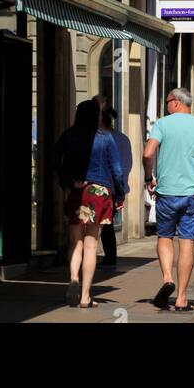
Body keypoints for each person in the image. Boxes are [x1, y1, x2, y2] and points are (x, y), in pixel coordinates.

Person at [143, 87, 194, 313]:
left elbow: (147, 154)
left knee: (165, 237)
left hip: (166, 193)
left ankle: (167, 278)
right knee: (187, 242)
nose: (166, 105)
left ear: (175, 102)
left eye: (167, 101)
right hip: (192, 196)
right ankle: (182, 298)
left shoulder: (163, 124)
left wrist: (149, 177)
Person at [54, 98, 126, 309]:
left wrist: (66, 181)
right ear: (97, 116)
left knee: (75, 242)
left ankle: (74, 278)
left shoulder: (68, 135)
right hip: (100, 192)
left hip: (77, 191)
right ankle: (85, 295)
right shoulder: (105, 139)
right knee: (91, 245)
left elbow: (53, 157)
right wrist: (119, 194)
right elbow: (118, 170)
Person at [99, 107, 133, 268]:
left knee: (104, 224)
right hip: (117, 187)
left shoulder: (101, 139)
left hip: (104, 186)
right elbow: (127, 166)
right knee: (107, 223)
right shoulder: (123, 139)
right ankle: (110, 256)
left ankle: (109, 257)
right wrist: (122, 190)